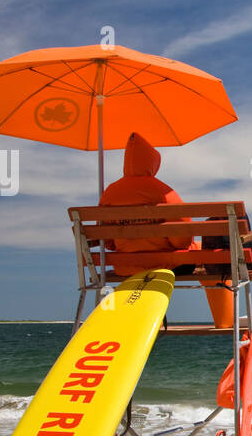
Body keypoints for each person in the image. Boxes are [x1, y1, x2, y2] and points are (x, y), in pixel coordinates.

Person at [98, 132, 233, 326]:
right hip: (166, 265)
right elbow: (182, 240)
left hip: (124, 267)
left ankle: (149, 323)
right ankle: (225, 322)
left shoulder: (109, 193)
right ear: (152, 163)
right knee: (212, 256)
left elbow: (108, 242)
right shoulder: (163, 192)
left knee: (204, 255)